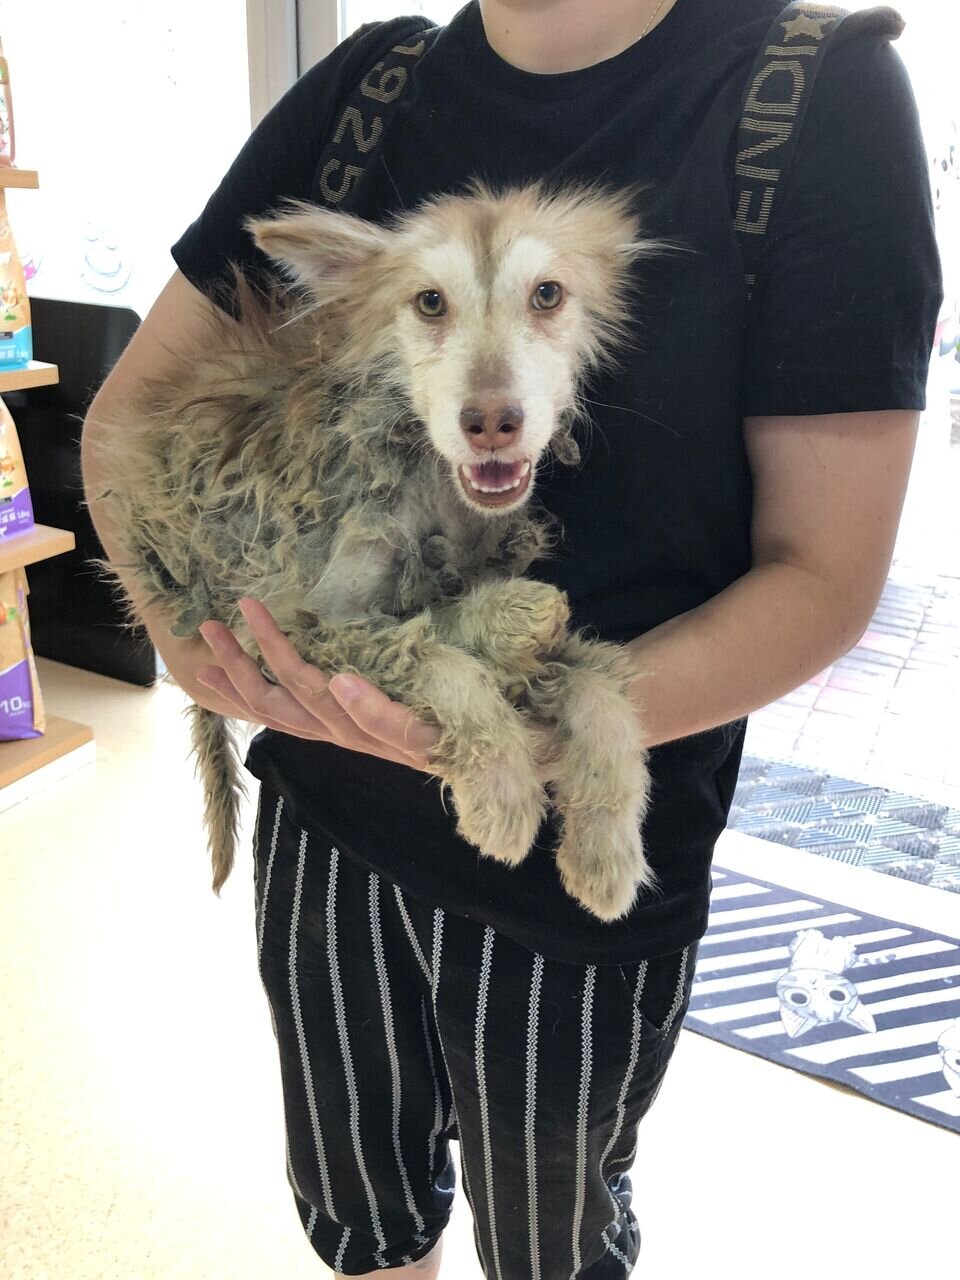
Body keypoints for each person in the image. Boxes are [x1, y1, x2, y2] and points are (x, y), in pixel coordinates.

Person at [80, 1, 943, 1276]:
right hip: (328, 818)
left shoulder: (814, 98)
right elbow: (124, 422)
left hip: (573, 871)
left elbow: (820, 575)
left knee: (553, 1240)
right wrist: (200, 641)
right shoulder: (370, 87)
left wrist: (527, 744)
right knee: (361, 1211)